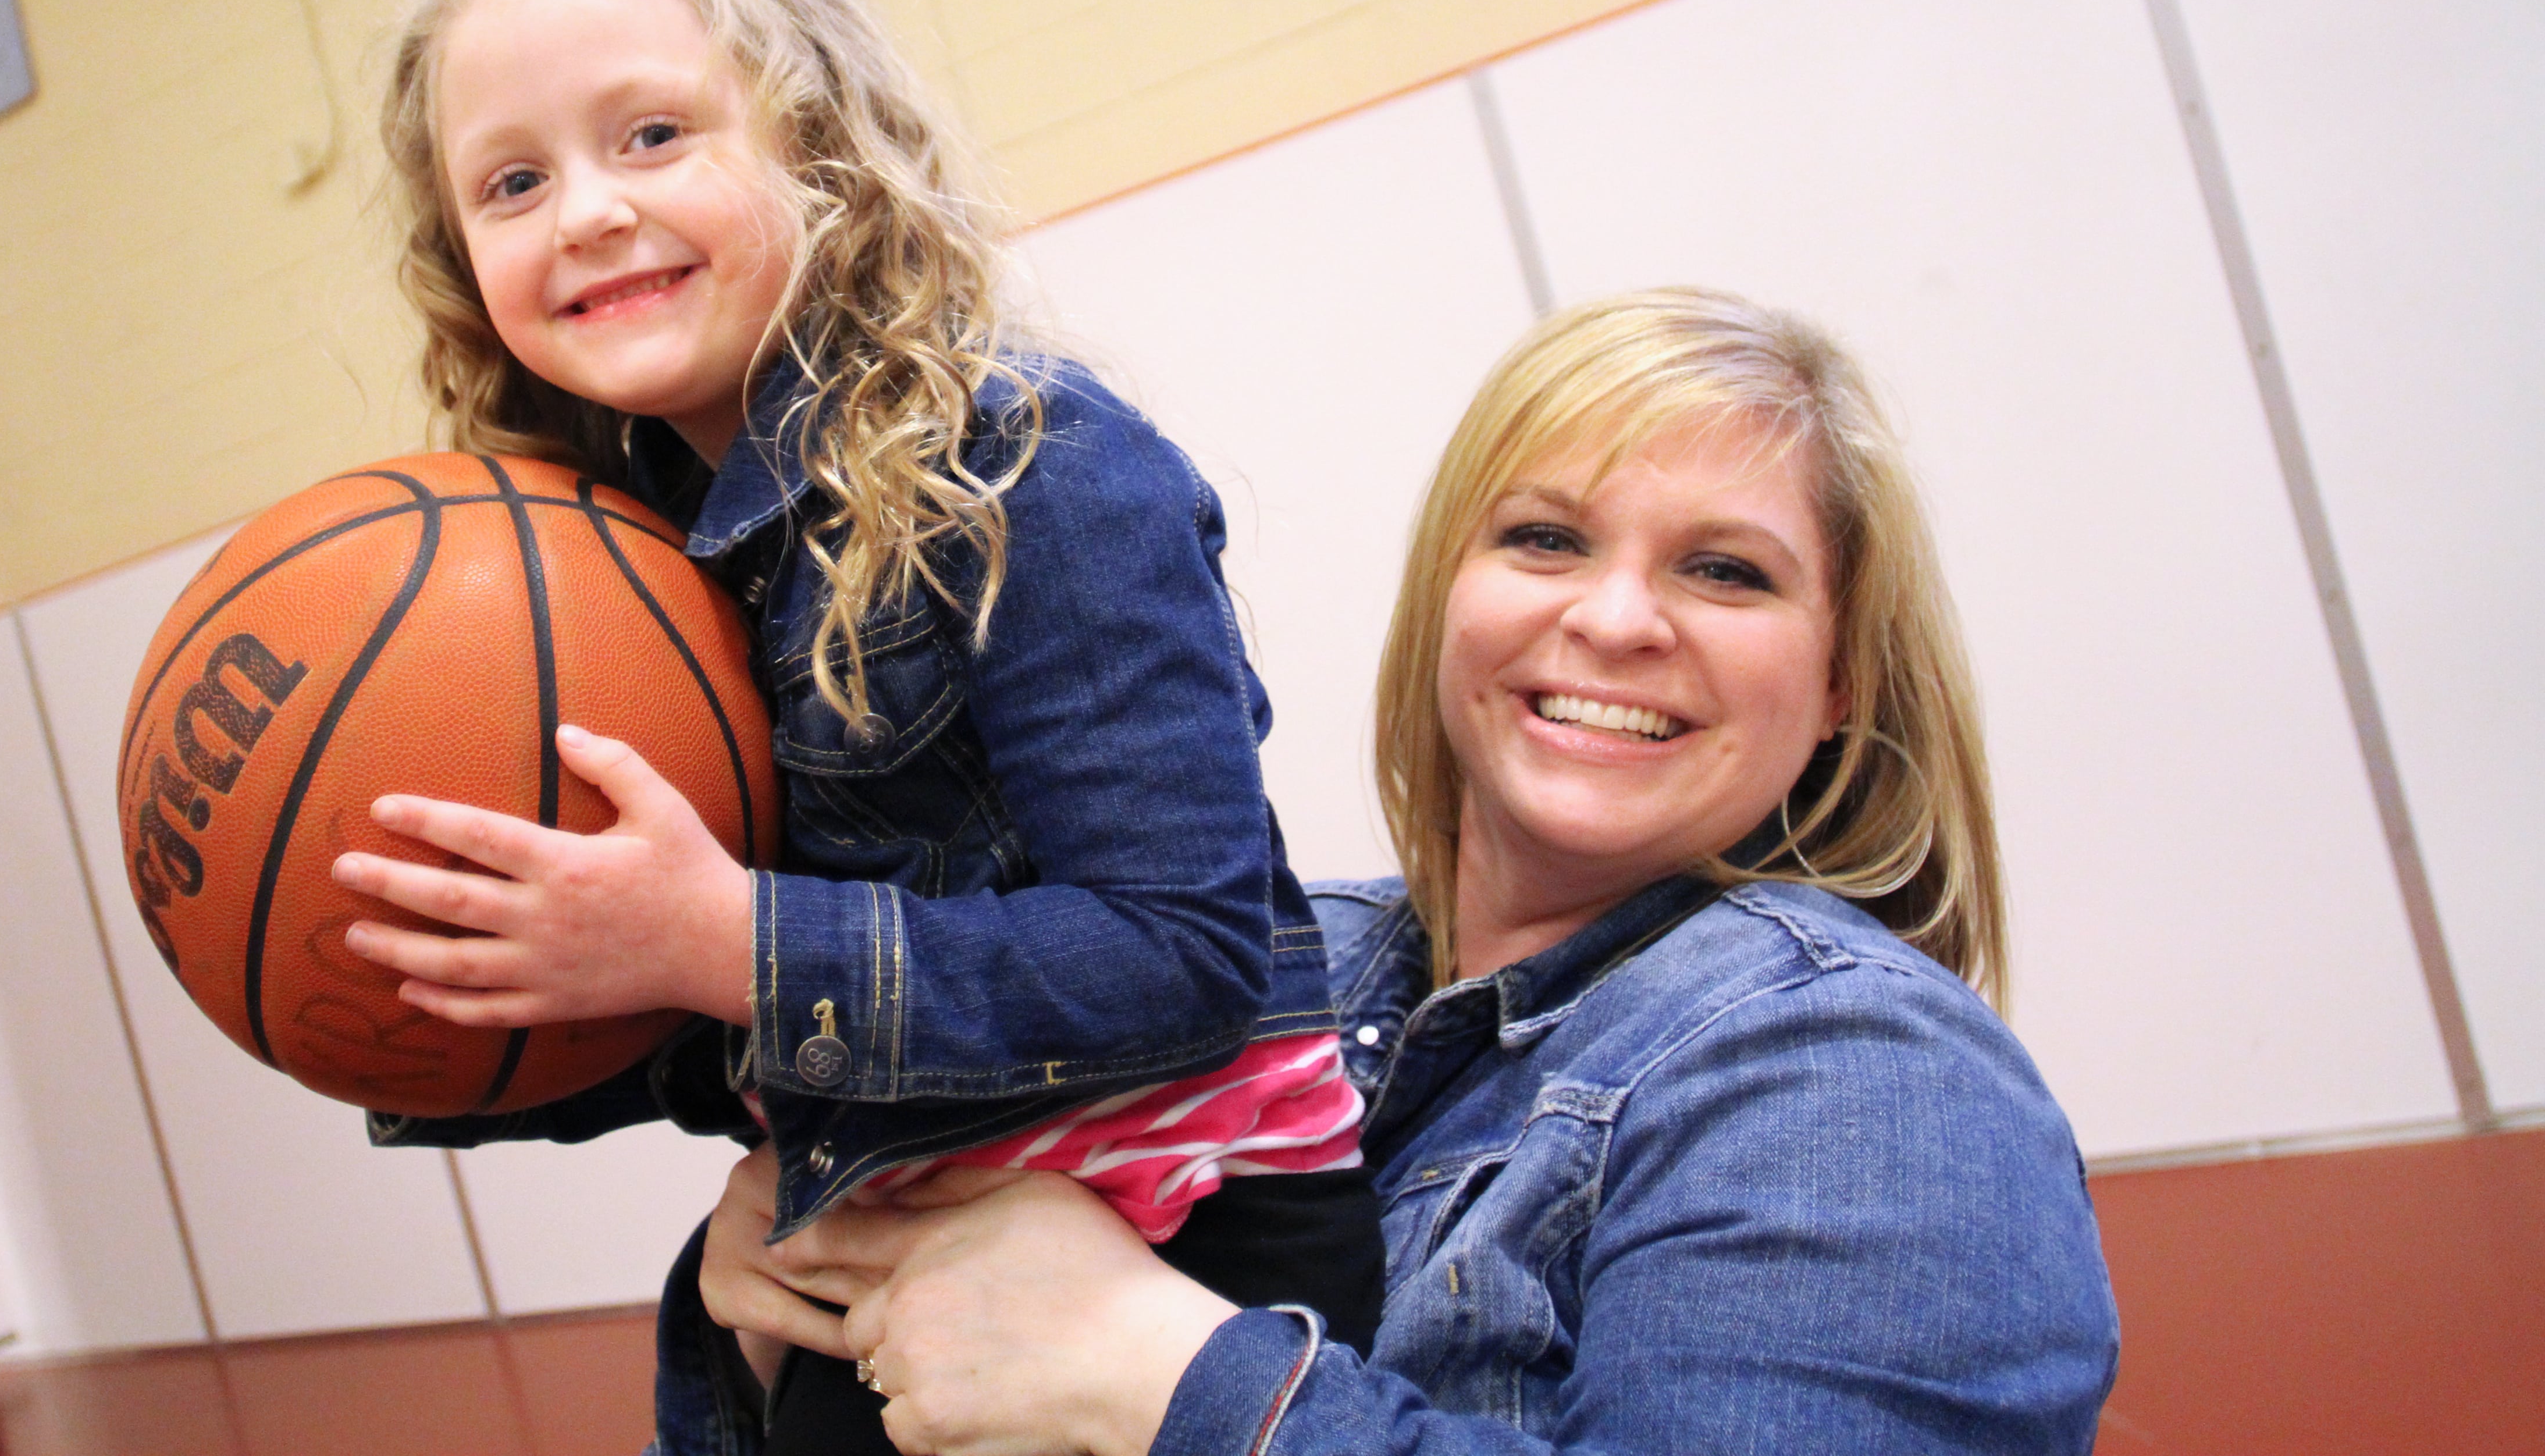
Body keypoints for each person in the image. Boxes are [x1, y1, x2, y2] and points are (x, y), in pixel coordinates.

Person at [704, 289, 2122, 1456]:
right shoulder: (1266, 967)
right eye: (1545, 539)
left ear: (1838, 687)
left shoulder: (1851, 1066)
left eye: (1726, 573)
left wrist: (1165, 1373)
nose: (1616, 618)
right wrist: (784, 1330)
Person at [335, 0, 1384, 1454]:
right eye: (512, 181)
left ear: (820, 145)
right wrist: (455, 988)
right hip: (888, 1252)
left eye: (651, 133)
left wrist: (726, 943)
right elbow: (718, 1021)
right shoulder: (622, 567)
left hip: (1182, 1255)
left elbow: (1178, 953)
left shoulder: (1031, 467)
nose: (587, 212)